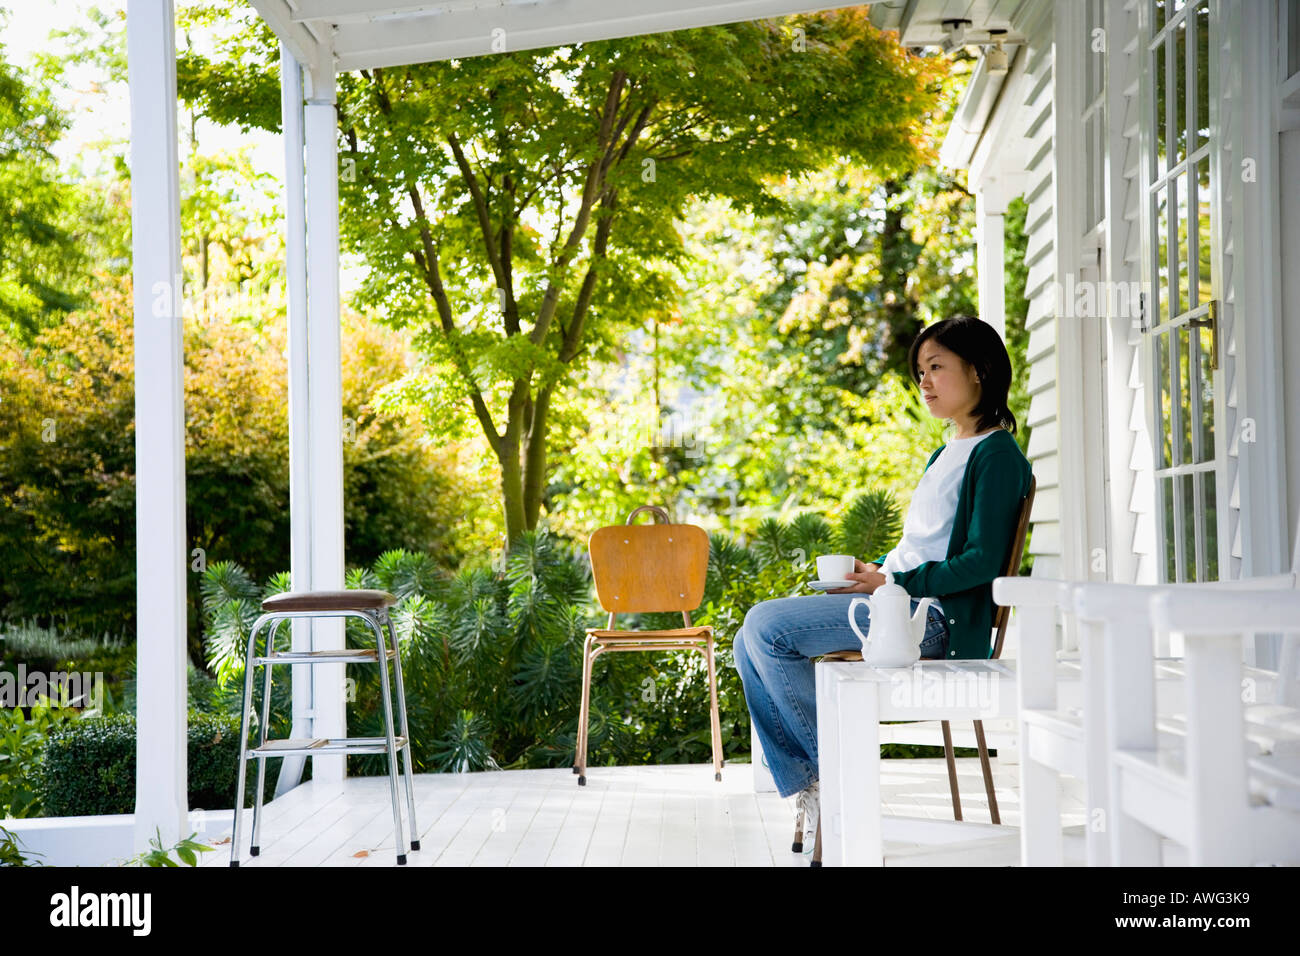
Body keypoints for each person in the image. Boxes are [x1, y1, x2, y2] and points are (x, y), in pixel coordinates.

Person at [732, 314, 1033, 857]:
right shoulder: (946, 453)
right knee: (746, 637)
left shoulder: (998, 455)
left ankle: (833, 776)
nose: (925, 382)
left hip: (931, 620)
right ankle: (820, 782)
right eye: (920, 371)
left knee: (766, 627)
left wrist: (888, 580)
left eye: (937, 367)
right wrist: (865, 574)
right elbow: (919, 548)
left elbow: (981, 563)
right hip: (898, 600)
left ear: (981, 370)